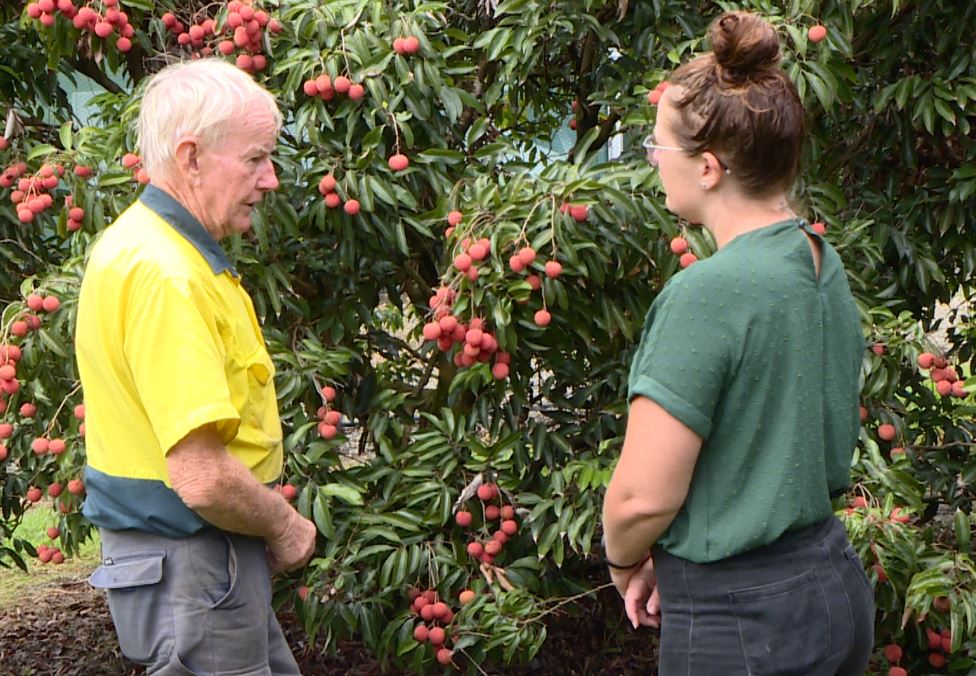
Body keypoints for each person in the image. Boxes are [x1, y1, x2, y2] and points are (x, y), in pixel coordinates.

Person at [601, 11, 874, 675]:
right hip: (829, 590)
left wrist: (623, 559)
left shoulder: (709, 292)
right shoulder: (815, 259)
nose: (653, 163)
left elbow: (643, 497)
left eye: (658, 149)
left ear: (709, 168)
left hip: (745, 623)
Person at [75, 59, 317, 675]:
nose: (272, 179)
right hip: (192, 562)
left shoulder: (144, 243)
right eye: (256, 158)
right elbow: (203, 478)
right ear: (192, 157)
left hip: (197, 565)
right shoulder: (168, 274)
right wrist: (285, 525)